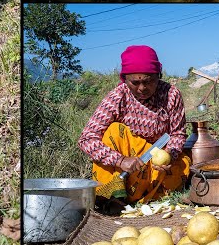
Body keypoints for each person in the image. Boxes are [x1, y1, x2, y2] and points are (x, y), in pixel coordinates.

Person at [77, 45, 189, 204]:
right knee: (114, 130)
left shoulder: (171, 94)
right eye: (135, 83)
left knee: (183, 164)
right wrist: (120, 160)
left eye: (149, 81)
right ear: (124, 79)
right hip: (128, 167)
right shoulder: (118, 97)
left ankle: (152, 193)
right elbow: (87, 139)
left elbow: (177, 134)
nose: (142, 88)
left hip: (159, 165)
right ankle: (114, 197)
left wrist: (170, 155)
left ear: (159, 75)